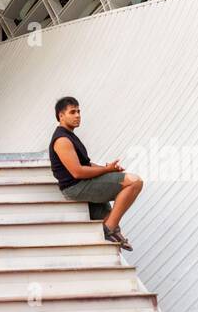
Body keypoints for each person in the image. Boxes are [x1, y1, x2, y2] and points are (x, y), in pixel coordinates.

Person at [48, 96, 143, 250]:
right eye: (72, 112)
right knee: (134, 182)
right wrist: (106, 170)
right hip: (76, 187)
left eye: (79, 111)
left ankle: (112, 229)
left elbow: (86, 164)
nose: (78, 115)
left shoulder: (70, 136)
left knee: (110, 216)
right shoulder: (62, 140)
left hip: (83, 184)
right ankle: (109, 229)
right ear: (61, 115)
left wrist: (108, 168)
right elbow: (77, 172)